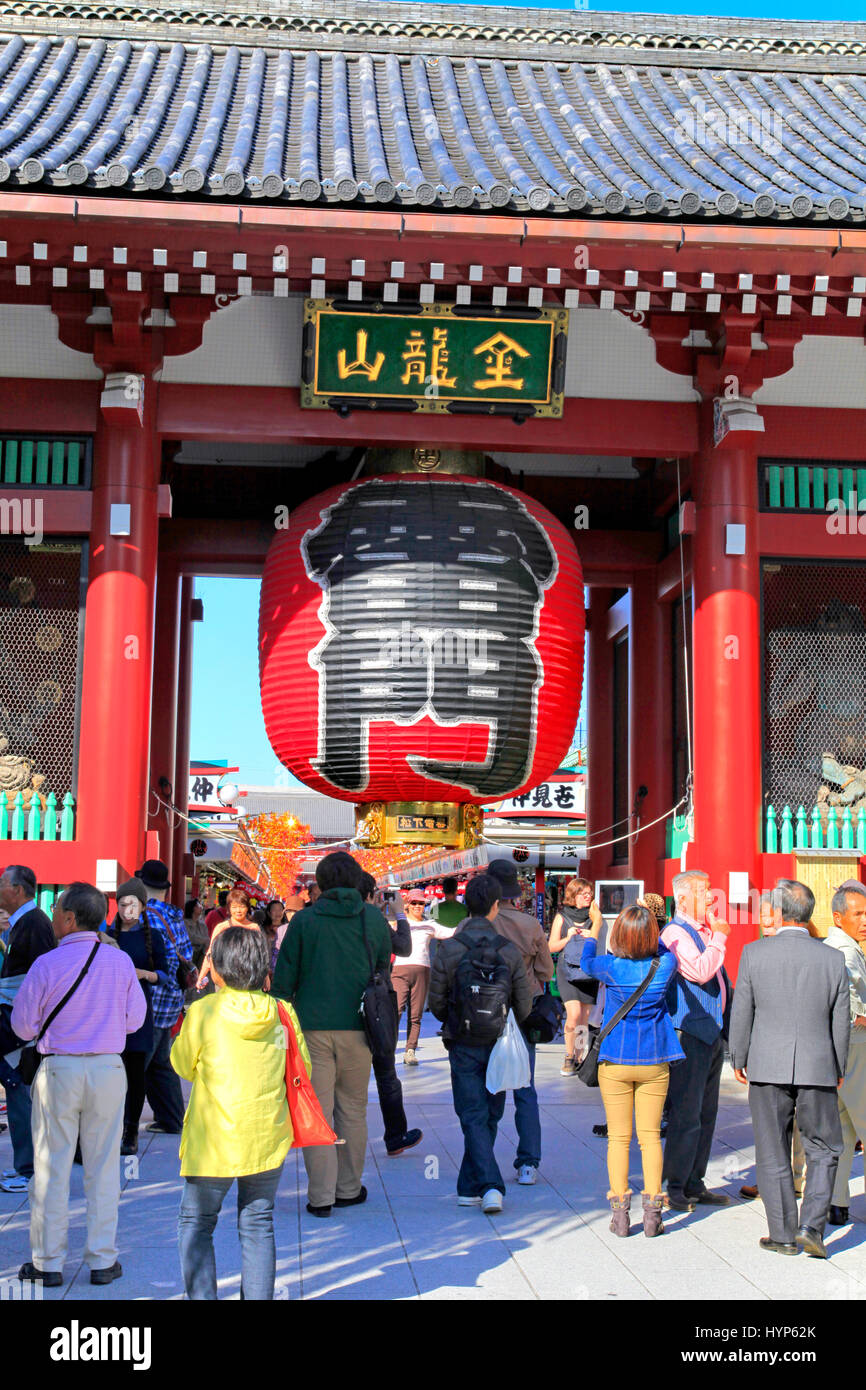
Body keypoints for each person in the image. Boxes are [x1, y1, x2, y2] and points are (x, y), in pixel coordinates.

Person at [11, 881, 146, 1287]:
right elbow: (134, 1020)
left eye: (56, 910)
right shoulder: (119, 962)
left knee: (51, 1168)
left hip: (59, 1071)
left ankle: (47, 1262)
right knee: (104, 1166)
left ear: (70, 918)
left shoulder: (46, 964)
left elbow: (22, 1026)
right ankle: (103, 1260)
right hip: (107, 1069)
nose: (52, 916)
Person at [172, 927, 308, 1300]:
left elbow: (183, 1064)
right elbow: (301, 1070)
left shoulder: (203, 1012)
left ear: (216, 969)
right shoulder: (282, 1012)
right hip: (267, 1135)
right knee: (258, 1223)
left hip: (212, 1139)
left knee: (197, 1223)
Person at [729, 878, 850, 1258]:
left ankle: (781, 1234)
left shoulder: (753, 953)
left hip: (766, 1064)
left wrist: (739, 1056)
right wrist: (838, 1065)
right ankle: (811, 1227)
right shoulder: (833, 958)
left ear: (778, 913)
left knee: (771, 1149)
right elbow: (840, 1020)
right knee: (824, 1147)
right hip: (819, 1065)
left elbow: (742, 1010)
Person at [272, 851, 391, 1217]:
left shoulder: (304, 922)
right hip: (360, 1029)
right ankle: (349, 1187)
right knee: (353, 1110)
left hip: (311, 1030)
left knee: (318, 1112)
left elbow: (282, 984)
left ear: (319, 885)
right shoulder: (373, 919)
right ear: (357, 881)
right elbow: (384, 968)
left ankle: (320, 1196)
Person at [564, 903, 684, 1237]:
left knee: (618, 1138)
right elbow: (662, 948)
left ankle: (619, 1214)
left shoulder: (611, 967)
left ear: (619, 937)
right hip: (654, 1059)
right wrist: (651, 933)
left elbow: (584, 963)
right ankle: (653, 1212)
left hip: (615, 1059)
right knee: (649, 1138)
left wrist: (595, 931)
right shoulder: (665, 965)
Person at [428, 874, 532, 1213]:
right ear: (494, 906)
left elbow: (437, 1000)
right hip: (498, 1040)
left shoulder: (450, 948)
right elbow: (525, 1002)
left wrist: (453, 1022)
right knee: (489, 1112)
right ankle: (491, 1186)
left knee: (472, 1112)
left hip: (462, 1040)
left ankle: (470, 1185)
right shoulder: (508, 950)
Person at [660, 869, 733, 1211]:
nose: (710, 898)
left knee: (706, 1112)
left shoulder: (703, 931)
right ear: (685, 897)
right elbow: (700, 971)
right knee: (685, 1113)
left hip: (711, 1032)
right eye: (704, 893)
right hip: (688, 1032)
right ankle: (674, 1184)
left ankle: (694, 1180)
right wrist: (719, 937)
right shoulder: (675, 932)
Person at [485, 858, 555, 1185]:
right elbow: (546, 971)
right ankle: (528, 1162)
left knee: (491, 1085)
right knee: (525, 1087)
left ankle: (483, 1159)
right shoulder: (530, 925)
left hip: (484, 1011)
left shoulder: (479, 924)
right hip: (523, 1011)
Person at [739, 890, 806, 1203]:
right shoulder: (756, 952)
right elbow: (745, 1008)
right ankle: (771, 1182)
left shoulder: (810, 952)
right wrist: (741, 1053)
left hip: (799, 1052)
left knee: (799, 1127)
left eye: (770, 917)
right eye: (761, 917)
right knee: (771, 1126)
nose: (764, 923)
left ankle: (797, 1180)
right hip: (766, 1053)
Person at [0, 864, 56, 1194]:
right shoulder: (25, 921)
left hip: (18, 1024)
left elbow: (39, 981)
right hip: (15, 1020)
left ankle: (27, 1168)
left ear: (18, 890)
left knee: (19, 1091)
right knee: (18, 1091)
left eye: (3, 883)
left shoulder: (33, 922)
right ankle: (25, 1165)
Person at [359, 872, 423, 1157]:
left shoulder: (326, 922)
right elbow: (404, 947)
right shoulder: (374, 921)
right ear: (371, 895)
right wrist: (399, 914)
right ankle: (395, 1136)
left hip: (344, 1006)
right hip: (377, 1004)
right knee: (386, 1072)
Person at [108, 877, 170, 1157]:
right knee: (109, 1073)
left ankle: (130, 1130)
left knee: (135, 1073)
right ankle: (109, 1127)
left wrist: (144, 974)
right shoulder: (106, 935)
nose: (128, 910)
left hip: (138, 1012)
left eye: (133, 905)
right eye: (123, 904)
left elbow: (166, 977)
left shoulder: (153, 937)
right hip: (108, 1012)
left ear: (143, 907)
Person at [138, 859, 195, 1137]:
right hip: (172, 999)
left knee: (137, 1065)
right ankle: (171, 1119)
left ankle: (126, 1131)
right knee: (162, 1063)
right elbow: (185, 956)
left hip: (149, 999)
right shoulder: (174, 916)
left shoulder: (141, 916)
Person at [824, 881, 866, 1227]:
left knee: (843, 1128)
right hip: (856, 1047)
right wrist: (860, 1015)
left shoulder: (832, 946)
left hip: (837, 1051)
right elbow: (849, 994)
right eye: (858, 914)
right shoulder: (847, 951)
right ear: (838, 917)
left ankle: (837, 1202)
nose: (864, 920)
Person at [392, 889, 454, 1066]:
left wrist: (472, 921)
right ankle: (389, 1048)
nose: (418, 907)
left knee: (416, 1014)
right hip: (399, 970)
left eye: (421, 903)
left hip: (422, 970)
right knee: (395, 1011)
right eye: (414, 903)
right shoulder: (398, 925)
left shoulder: (431, 925)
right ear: (407, 905)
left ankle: (410, 1050)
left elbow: (451, 932)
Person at [548, 877, 600, 1076]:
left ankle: (579, 1056)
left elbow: (601, 939)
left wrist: (592, 933)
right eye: (583, 894)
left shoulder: (594, 916)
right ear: (573, 895)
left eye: (590, 894)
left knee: (584, 1019)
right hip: (567, 971)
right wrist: (568, 937)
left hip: (588, 971)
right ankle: (569, 1056)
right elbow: (551, 946)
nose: (588, 897)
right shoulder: (562, 917)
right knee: (574, 1015)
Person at [197, 886, 260, 991]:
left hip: (247, 978)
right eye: (234, 907)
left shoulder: (254, 927)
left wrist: (265, 977)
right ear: (228, 908)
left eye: (242, 906)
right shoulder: (221, 927)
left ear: (248, 907)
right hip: (223, 978)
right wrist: (202, 975)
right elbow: (211, 953)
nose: (238, 910)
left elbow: (259, 954)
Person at [185, 899, 209, 970]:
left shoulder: (202, 924)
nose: (201, 907)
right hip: (189, 954)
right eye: (198, 905)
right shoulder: (185, 923)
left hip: (201, 955)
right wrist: (204, 940)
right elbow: (190, 937)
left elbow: (206, 938)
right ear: (192, 908)